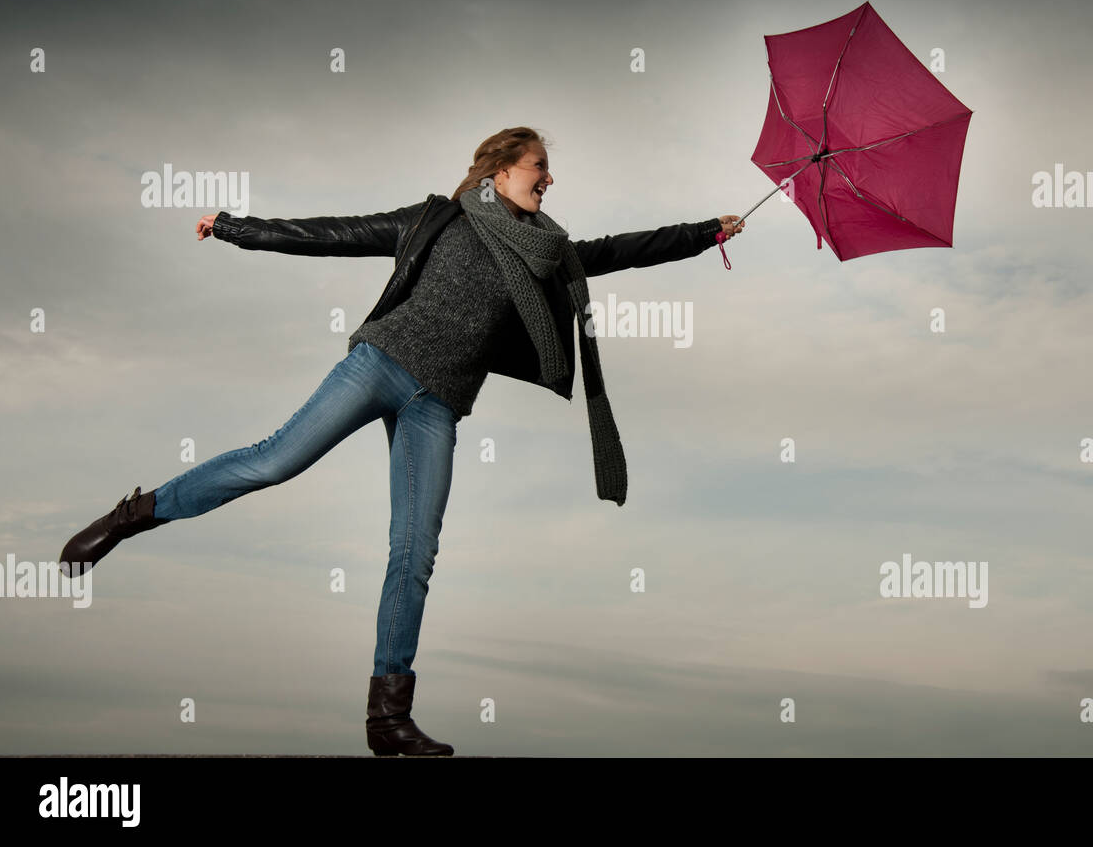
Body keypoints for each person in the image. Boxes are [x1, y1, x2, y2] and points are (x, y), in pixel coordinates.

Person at [58, 126, 744, 756]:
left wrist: (705, 233)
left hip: (436, 406)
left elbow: (618, 253)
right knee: (272, 462)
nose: (550, 181)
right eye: (541, 168)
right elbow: (333, 233)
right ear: (502, 172)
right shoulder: (436, 218)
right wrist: (236, 227)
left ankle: (388, 718)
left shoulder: (547, 254)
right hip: (377, 367)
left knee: (414, 552)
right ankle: (134, 515)